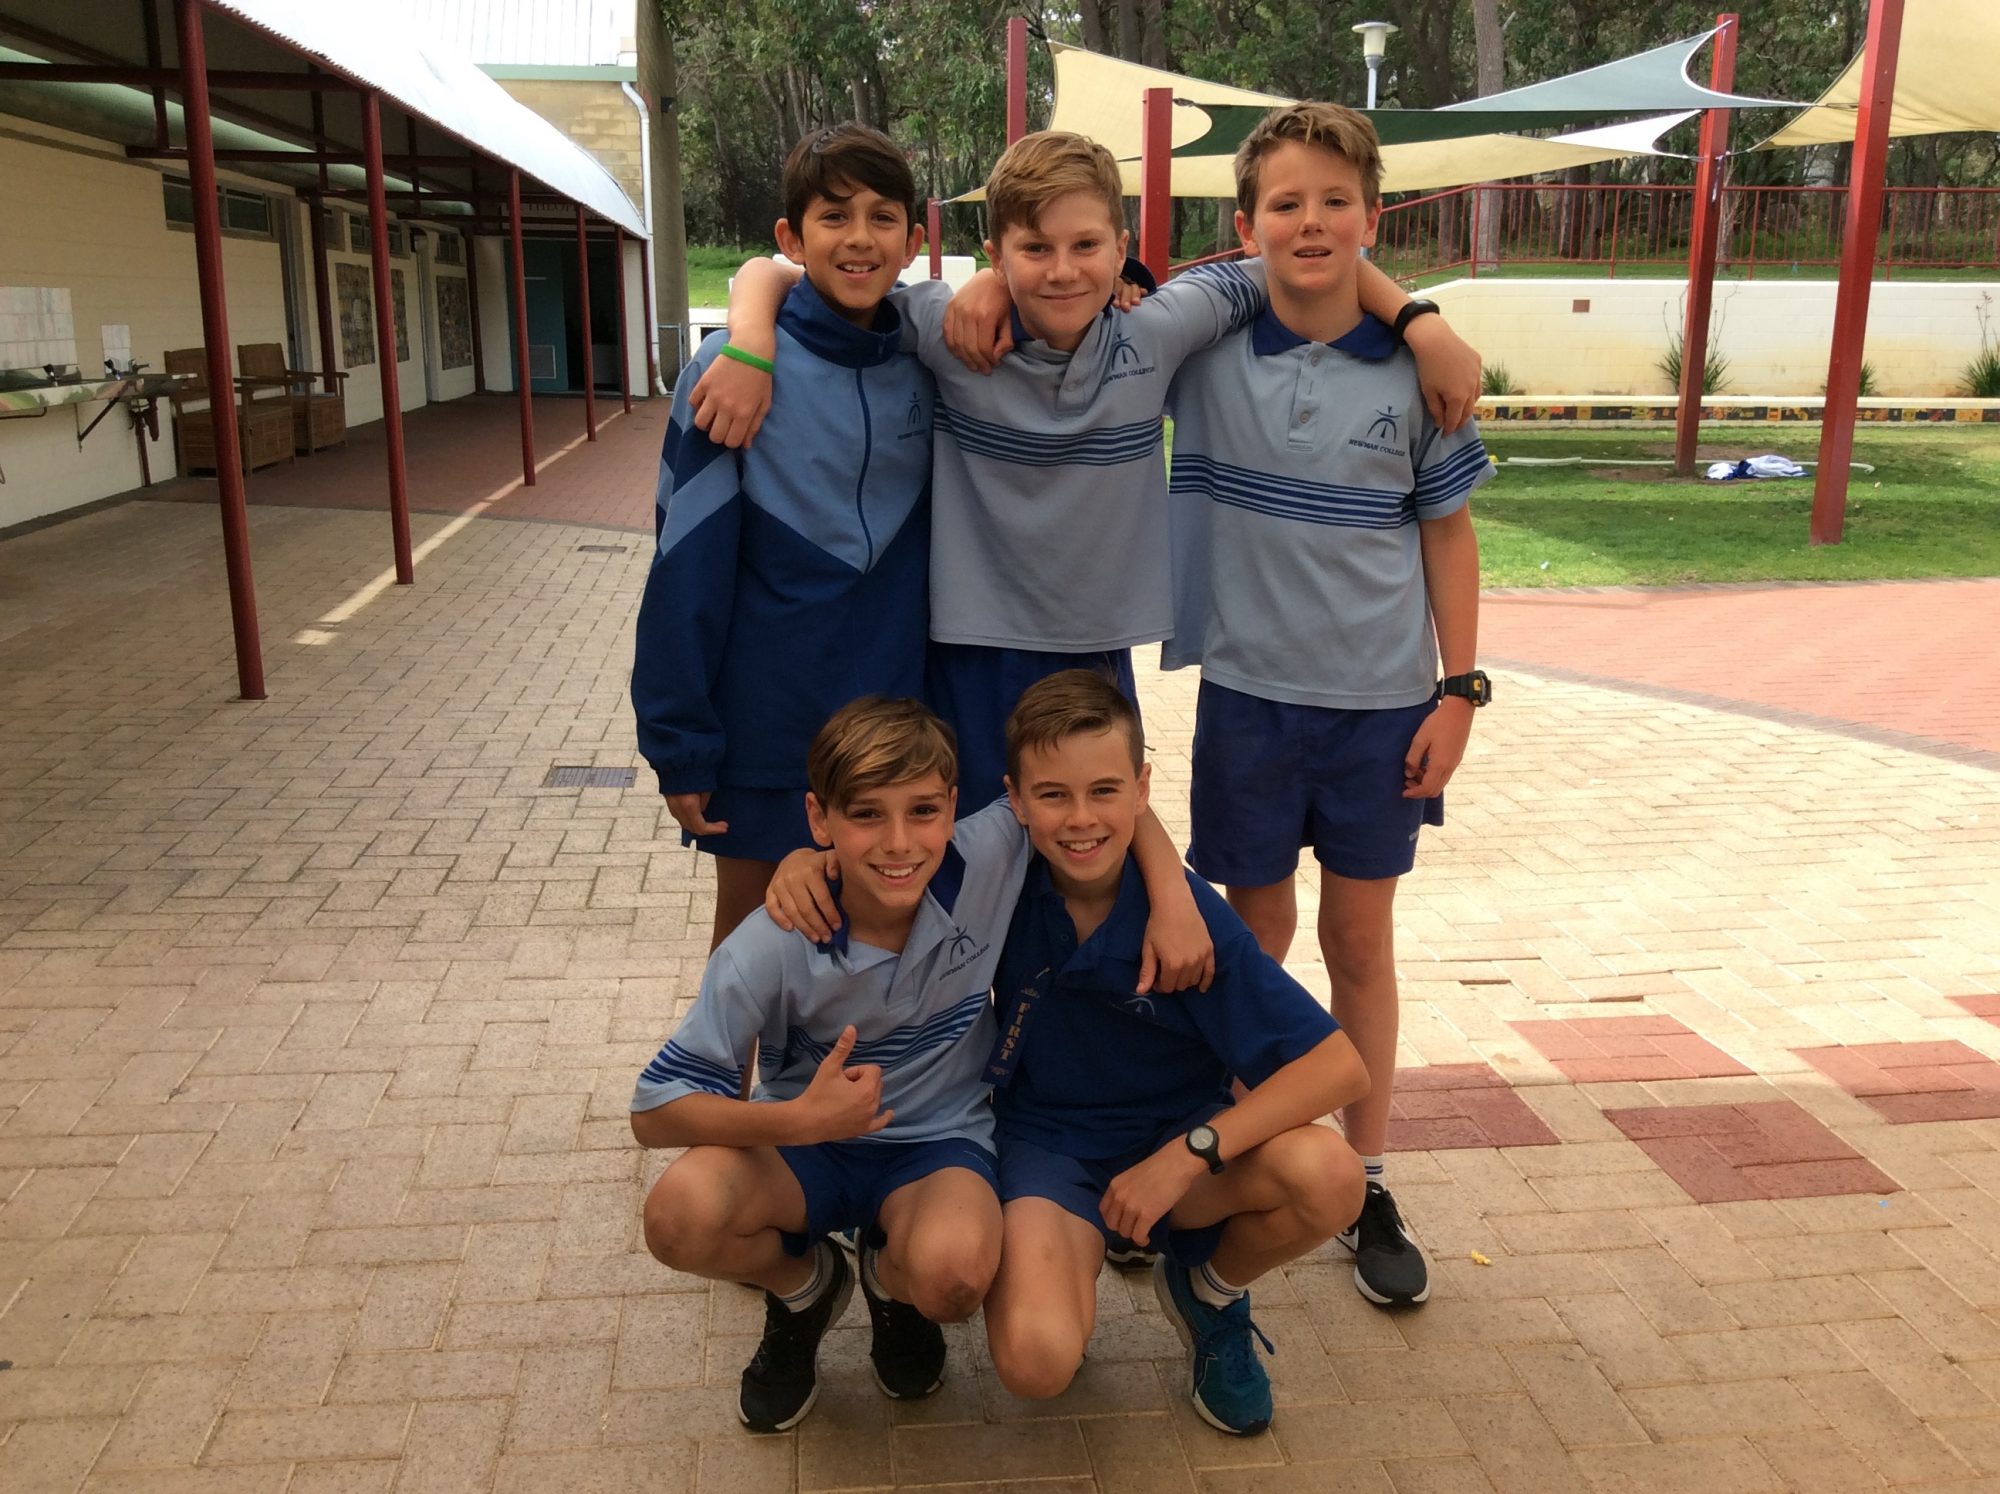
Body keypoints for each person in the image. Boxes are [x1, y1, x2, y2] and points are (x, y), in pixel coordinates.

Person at [689, 130, 1483, 803]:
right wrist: (751, 339)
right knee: (974, 858)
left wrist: (1421, 322)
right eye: (1034, 250)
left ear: (1121, 249)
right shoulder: (947, 329)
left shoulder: (1157, 335)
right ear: (996, 253)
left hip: (1097, 655)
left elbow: (1300, 259)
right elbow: (787, 272)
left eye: (1085, 247)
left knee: (1088, 859)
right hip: (969, 652)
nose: (1063, 270)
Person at [633, 696, 1211, 1433]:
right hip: (803, 1145)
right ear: (819, 820)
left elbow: (1102, 797)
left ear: (954, 808)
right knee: (678, 1217)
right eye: (866, 815)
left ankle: (892, 1283)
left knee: (954, 1274)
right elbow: (654, 1111)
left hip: (938, 1142)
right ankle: (805, 1289)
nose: (899, 842)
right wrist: (796, 1120)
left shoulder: (987, 854)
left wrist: (1173, 891)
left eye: (923, 812)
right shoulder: (773, 940)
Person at [1163, 103, 1493, 1310]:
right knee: (1251, 940)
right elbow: (1090, 295)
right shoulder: (1204, 353)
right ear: (1244, 223)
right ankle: (1223, 1151)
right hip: (1245, 700)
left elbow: (1447, 536)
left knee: (1359, 944)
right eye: (1285, 204)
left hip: (1379, 712)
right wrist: (1416, 304)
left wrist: (1458, 693)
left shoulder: (1418, 375)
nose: (1310, 223)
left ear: (1371, 216)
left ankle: (1364, 1177)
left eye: (1334, 202)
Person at [979, 671, 1370, 1437]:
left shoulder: (1188, 919)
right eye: (1053, 795)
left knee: (1330, 1175)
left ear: (1142, 790)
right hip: (1047, 1147)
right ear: (1015, 800)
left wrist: (1190, 1153)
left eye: (1104, 791)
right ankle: (1063, 1269)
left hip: (1180, 1148)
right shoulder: (996, 887)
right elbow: (886, 872)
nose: (1081, 819)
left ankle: (1209, 1292)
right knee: (1036, 1361)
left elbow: (1339, 1067)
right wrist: (800, 867)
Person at [631, 123, 934, 954]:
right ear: (792, 239)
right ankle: (729, 1057)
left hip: (896, 725)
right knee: (754, 950)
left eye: (881, 217)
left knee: (876, 948)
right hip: (765, 729)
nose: (860, 237)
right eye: (834, 216)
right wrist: (681, 743)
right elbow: (682, 569)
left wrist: (1126, 283)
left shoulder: (931, 361)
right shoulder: (730, 373)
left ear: (913, 241)